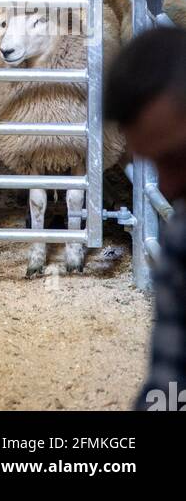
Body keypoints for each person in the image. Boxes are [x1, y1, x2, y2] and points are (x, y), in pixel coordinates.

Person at [105, 25, 186, 411]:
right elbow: (171, 382)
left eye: (176, 158)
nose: (165, 187)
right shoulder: (180, 236)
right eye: (153, 163)